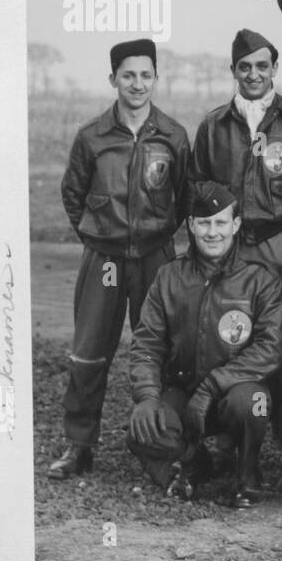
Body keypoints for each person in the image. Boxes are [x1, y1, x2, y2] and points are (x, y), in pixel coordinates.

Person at [190, 28, 282, 479]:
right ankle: (230, 438)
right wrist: (216, 241)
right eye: (245, 67)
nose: (254, 74)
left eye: (262, 66)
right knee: (229, 339)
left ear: (275, 69)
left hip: (280, 246)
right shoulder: (214, 126)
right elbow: (198, 187)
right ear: (233, 71)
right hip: (230, 250)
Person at [49, 39, 190, 480]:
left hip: (154, 257)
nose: (137, 84)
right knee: (90, 353)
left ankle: (160, 443)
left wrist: (160, 237)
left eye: (146, 75)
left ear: (156, 79)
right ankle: (79, 445)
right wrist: (97, 235)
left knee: (162, 350)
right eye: (128, 75)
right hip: (105, 260)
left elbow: (183, 197)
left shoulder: (173, 136)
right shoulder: (92, 136)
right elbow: (73, 194)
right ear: (113, 79)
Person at [127, 182, 282, 507]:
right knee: (142, 429)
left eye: (221, 223)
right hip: (183, 391)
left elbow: (270, 349)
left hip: (232, 392)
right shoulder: (169, 277)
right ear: (191, 225)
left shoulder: (260, 279)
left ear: (236, 225)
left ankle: (247, 473)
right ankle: (195, 462)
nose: (213, 232)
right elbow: (147, 344)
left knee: (255, 401)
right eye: (205, 223)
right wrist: (146, 396)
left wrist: (213, 386)